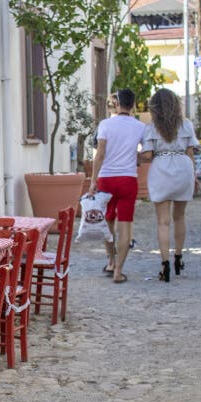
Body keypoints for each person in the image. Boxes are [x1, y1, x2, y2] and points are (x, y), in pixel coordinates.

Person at [140, 88, 199, 282]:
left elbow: (147, 155)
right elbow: (191, 152)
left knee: (162, 221)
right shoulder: (186, 125)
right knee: (180, 217)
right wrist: (195, 176)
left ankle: (164, 265)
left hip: (161, 169)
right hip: (183, 167)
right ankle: (178, 257)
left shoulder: (151, 127)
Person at [89, 88, 146, 283]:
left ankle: (111, 261)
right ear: (133, 104)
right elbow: (145, 154)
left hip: (106, 179)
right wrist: (134, 156)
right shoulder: (140, 127)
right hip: (128, 179)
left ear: (117, 103)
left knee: (107, 222)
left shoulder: (105, 124)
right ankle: (118, 271)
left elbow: (100, 152)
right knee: (125, 226)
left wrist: (92, 180)